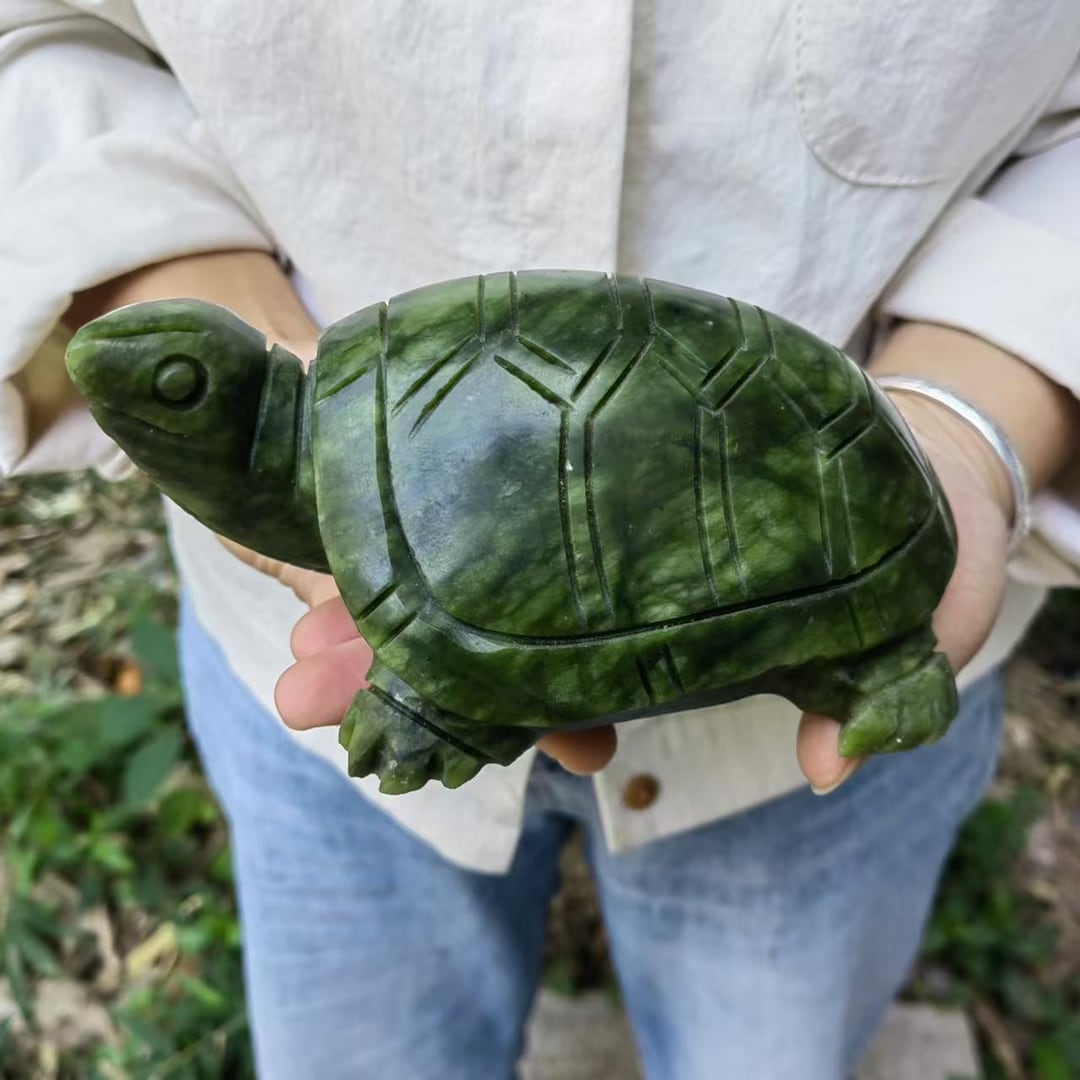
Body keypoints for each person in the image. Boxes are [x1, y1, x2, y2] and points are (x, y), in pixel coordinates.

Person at [4, 3, 1080, 1077]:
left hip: (810, 691)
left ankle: (881, 658)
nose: (113, 373)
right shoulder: (356, 407)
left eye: (180, 386)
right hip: (296, 722)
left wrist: (973, 423)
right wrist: (158, 272)